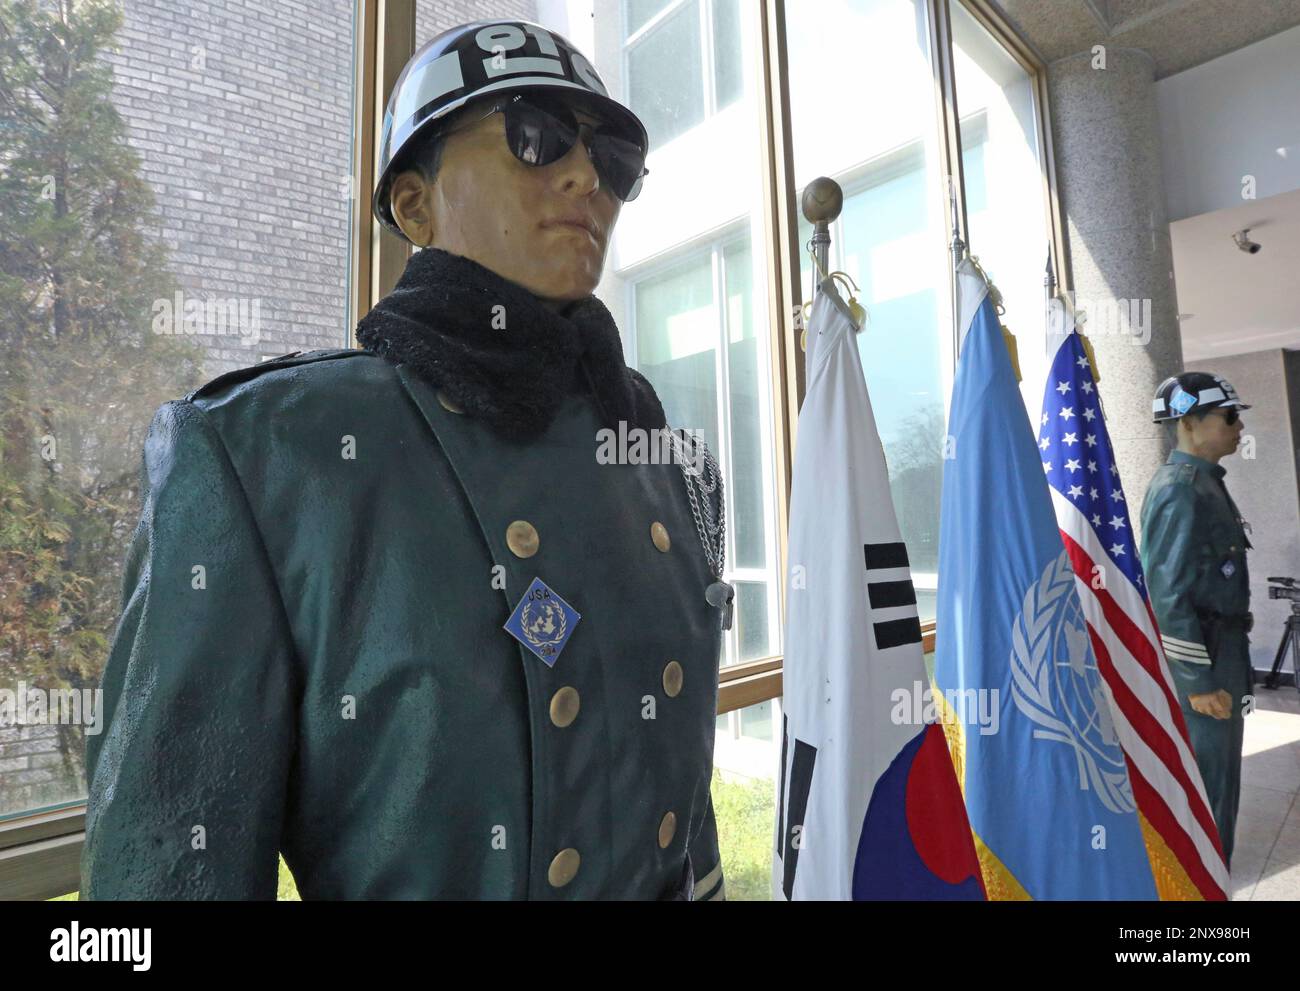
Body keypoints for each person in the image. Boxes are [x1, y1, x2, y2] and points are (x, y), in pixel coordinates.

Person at [81, 19, 729, 900]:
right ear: (415, 204)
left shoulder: (662, 459)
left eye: (611, 157)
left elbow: (686, 822)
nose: (587, 179)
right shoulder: (265, 454)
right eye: (533, 134)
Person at [1140, 371, 1252, 867]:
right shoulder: (1180, 489)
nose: (1238, 426)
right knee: (1208, 780)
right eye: (1229, 416)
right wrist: (1198, 680)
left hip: (1226, 646)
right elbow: (1167, 594)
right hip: (1205, 655)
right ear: (1188, 422)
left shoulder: (1206, 485)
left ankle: (1212, 873)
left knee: (1223, 776)